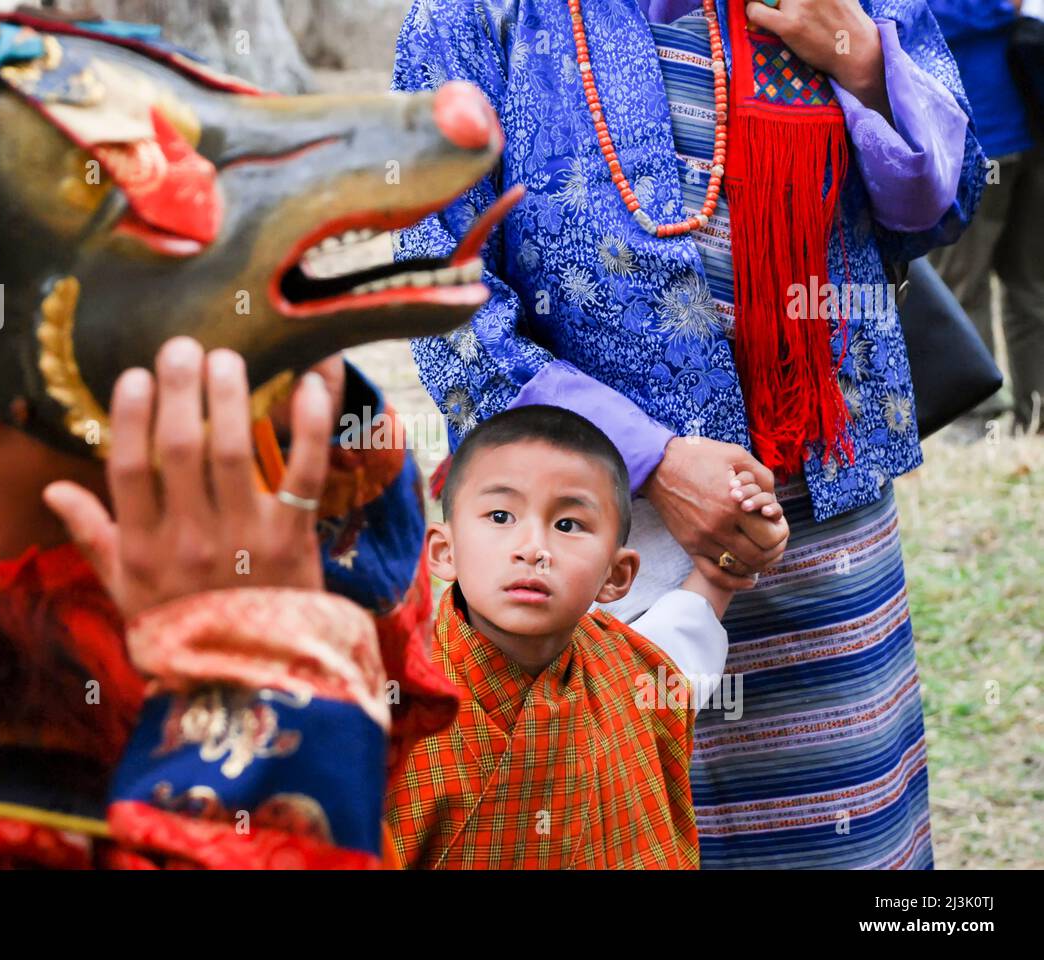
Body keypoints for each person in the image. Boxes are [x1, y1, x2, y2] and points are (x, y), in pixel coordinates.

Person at [394, 0, 985, 868]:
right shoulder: (470, 17)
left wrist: (856, 55)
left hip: (818, 531)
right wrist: (650, 459)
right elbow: (433, 283)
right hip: (574, 540)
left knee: (841, 835)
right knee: (598, 824)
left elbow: (946, 201)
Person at [0, 317, 459, 867]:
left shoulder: (153, 580)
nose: (224, 355)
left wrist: (320, 436)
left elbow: (378, 703)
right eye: (168, 301)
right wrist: (259, 675)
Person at [385, 403, 783, 868]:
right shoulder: (387, 706)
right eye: (500, 516)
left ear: (616, 575)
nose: (533, 549)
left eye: (567, 525)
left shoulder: (638, 674)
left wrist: (741, 537)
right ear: (443, 551)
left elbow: (691, 620)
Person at [928, 0, 1044, 432]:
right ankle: (977, 420)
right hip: (973, 148)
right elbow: (923, 18)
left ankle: (1036, 412)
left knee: (1030, 287)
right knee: (964, 286)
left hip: (1029, 139)